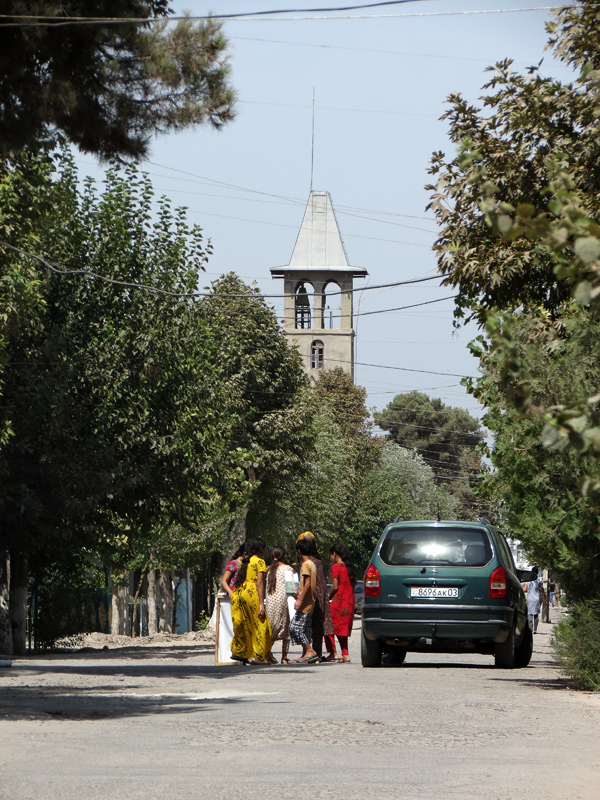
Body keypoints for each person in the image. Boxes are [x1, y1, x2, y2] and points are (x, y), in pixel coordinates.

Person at [230, 538, 273, 664]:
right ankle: (259, 657)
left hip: (238, 593)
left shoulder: (244, 561)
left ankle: (240, 652)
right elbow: (259, 583)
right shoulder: (260, 562)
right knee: (261, 625)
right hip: (251, 593)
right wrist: (261, 604)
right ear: (260, 549)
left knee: (244, 624)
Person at [295, 531, 333, 660]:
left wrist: (300, 597)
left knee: (307, 626)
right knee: (314, 627)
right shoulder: (317, 561)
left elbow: (309, 582)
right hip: (318, 597)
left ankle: (309, 652)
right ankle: (314, 652)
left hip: (311, 597)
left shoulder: (308, 562)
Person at [323, 544, 356, 663]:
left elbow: (335, 587)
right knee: (342, 629)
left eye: (331, 555)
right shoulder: (349, 567)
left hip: (339, 602)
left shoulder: (336, 567)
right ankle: (345, 654)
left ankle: (333, 652)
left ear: (334, 554)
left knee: (328, 626)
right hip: (349, 602)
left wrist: (328, 597)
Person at [288, 538, 319, 663]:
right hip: (310, 600)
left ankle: (309, 650)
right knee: (305, 629)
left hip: (305, 602)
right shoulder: (312, 563)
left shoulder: (306, 565)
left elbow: (307, 584)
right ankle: (306, 653)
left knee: (295, 627)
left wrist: (300, 599)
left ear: (299, 551)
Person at [265, 546, 292, 664]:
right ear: (284, 557)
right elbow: (291, 586)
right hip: (283, 602)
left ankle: (267, 652)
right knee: (285, 628)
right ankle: (284, 657)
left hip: (270, 603)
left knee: (271, 628)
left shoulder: (269, 570)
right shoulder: (288, 569)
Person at [524, 566, 547, 633]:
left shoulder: (527, 580)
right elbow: (542, 590)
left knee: (530, 613)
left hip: (529, 598)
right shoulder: (539, 580)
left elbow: (525, 589)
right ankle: (535, 629)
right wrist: (545, 598)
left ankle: (530, 625)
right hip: (537, 598)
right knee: (536, 614)